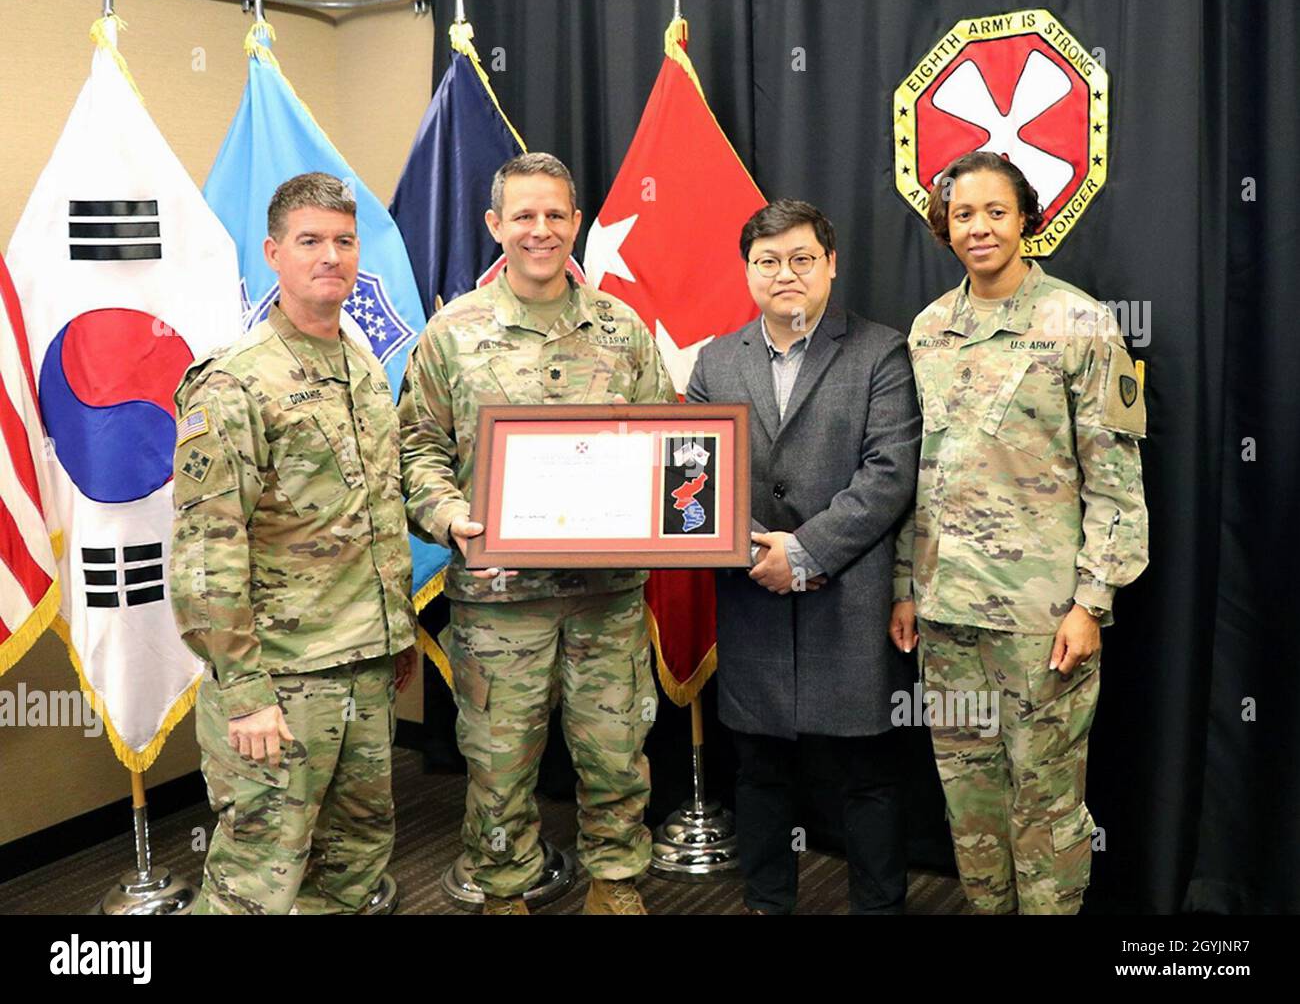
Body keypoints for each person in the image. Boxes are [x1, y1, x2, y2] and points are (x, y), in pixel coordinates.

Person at [397, 152, 675, 915]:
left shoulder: (622, 329)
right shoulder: (451, 334)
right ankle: (503, 890)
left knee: (616, 751)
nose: (541, 229)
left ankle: (615, 882)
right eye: (523, 215)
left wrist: (679, 517)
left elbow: (668, 445)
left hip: (605, 596)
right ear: (496, 225)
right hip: (497, 597)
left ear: (576, 222)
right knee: (498, 761)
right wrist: (450, 514)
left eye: (555, 214)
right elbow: (417, 448)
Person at [890, 151, 1149, 915]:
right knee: (970, 812)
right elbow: (922, 471)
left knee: (1045, 814)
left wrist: (1091, 602)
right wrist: (907, 586)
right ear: (945, 226)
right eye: (964, 214)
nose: (980, 227)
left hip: (1042, 625)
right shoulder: (930, 329)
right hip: (947, 618)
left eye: (996, 212)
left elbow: (1116, 480)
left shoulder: (1081, 323)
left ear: (1026, 217)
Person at [169, 172, 417, 915]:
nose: (329, 256)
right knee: (259, 875)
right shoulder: (235, 383)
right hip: (281, 679)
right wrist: (243, 694)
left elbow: (376, 512)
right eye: (310, 241)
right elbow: (207, 550)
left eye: (344, 241)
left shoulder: (364, 366)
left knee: (353, 861)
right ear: (274, 252)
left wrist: (393, 632)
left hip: (365, 663)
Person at [686, 199, 921, 914]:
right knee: (759, 775)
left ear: (831, 265)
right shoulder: (716, 359)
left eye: (801, 259)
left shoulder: (880, 350)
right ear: (747, 270)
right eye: (767, 261)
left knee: (868, 778)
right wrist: (758, 547)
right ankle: (766, 902)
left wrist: (806, 550)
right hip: (752, 593)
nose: (784, 274)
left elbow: (889, 474)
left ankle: (879, 907)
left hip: (848, 597)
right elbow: (695, 472)